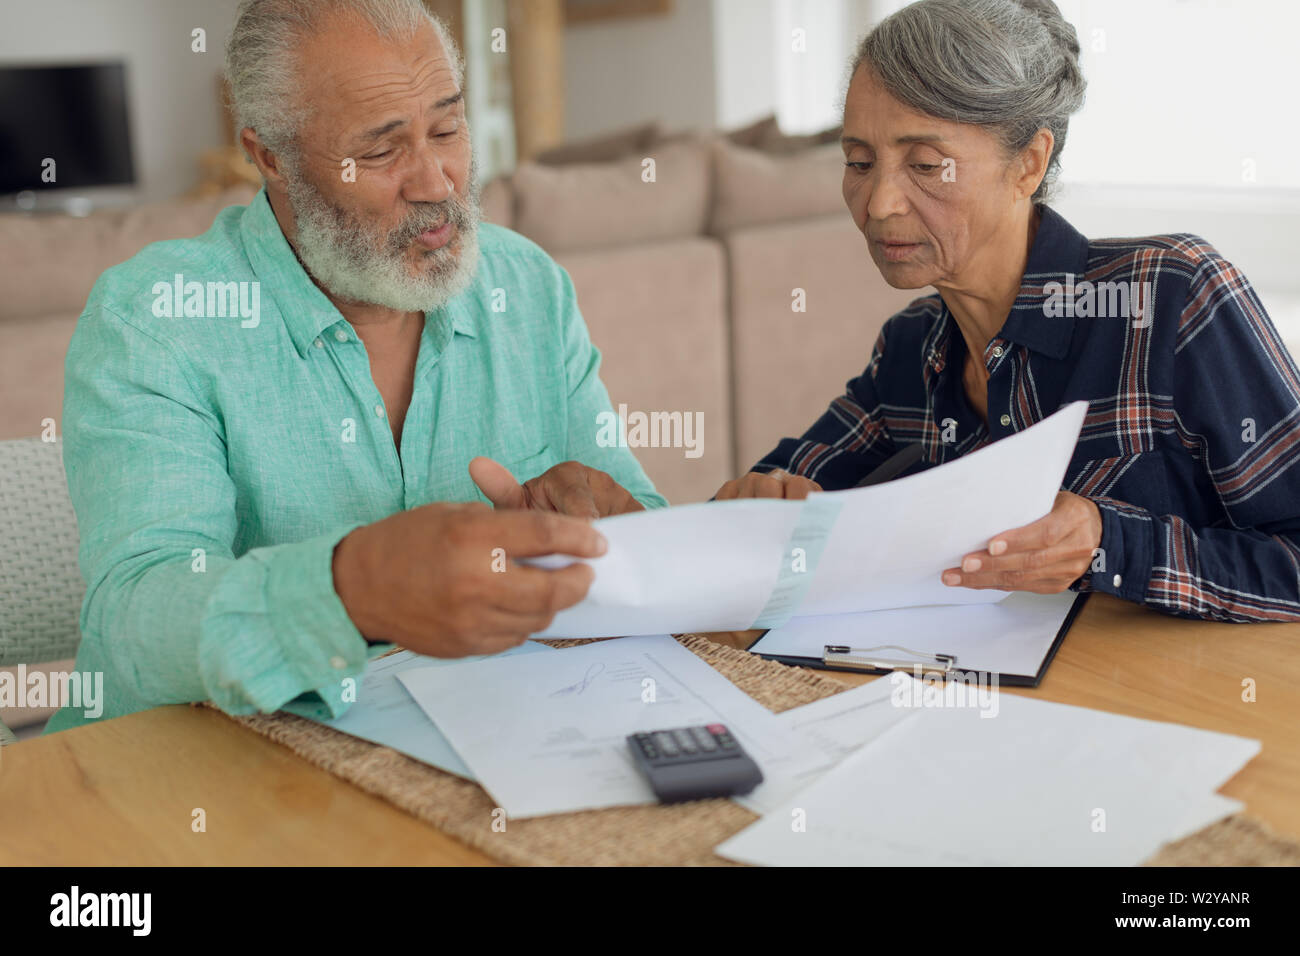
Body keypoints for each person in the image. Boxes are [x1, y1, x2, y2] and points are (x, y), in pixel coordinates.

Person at [46, 0, 663, 733]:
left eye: (447, 129)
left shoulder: (527, 286)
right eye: (381, 152)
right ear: (270, 154)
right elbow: (138, 620)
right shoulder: (156, 319)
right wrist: (354, 589)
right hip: (199, 776)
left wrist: (603, 532)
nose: (437, 183)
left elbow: (646, 539)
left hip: (474, 746)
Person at [716, 0, 1300, 623]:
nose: (880, 202)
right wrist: (760, 502)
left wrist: (1109, 542)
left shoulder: (1171, 297)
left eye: (924, 165)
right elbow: (782, 487)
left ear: (1028, 162)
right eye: (859, 162)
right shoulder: (911, 348)